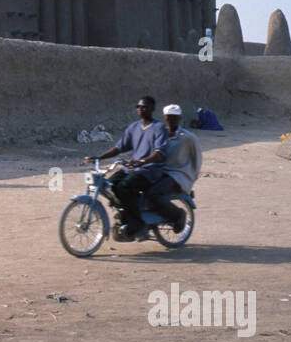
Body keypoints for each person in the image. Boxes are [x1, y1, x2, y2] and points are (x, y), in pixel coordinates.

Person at [84, 95, 169, 238]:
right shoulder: (134, 127)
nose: (140, 109)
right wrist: (99, 157)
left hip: (150, 170)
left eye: (144, 107)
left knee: (124, 187)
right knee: (110, 185)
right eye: (138, 107)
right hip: (133, 167)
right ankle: (125, 214)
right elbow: (119, 148)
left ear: (152, 109)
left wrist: (142, 161)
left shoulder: (159, 128)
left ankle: (138, 223)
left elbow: (159, 153)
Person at [144, 105, 202, 233]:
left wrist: (189, 182)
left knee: (154, 193)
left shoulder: (188, 138)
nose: (172, 120)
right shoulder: (159, 134)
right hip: (160, 172)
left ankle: (178, 215)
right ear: (164, 118)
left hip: (178, 175)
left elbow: (197, 161)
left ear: (180, 118)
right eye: (169, 117)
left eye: (175, 117)